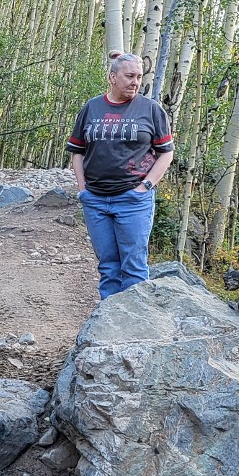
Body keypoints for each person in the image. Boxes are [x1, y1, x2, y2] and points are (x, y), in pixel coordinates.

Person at [65, 51, 174, 299]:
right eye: (129, 76)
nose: (135, 81)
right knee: (108, 266)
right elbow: (78, 151)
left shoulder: (151, 110)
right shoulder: (92, 107)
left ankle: (134, 329)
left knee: (134, 268)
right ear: (113, 77)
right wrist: (83, 189)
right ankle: (108, 326)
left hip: (133, 199)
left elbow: (166, 153)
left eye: (139, 76)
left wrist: (144, 187)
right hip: (95, 200)